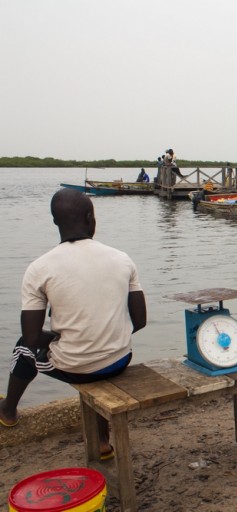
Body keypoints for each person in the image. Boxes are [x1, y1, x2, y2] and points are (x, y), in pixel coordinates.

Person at [0, 189, 147, 458]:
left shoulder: (39, 268)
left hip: (78, 367)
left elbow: (32, 338)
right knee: (92, 355)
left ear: (55, 222)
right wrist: (103, 330)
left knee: (23, 349)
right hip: (120, 359)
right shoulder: (122, 258)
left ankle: (8, 411)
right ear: (91, 218)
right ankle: (102, 441)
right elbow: (140, 321)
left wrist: (59, 337)